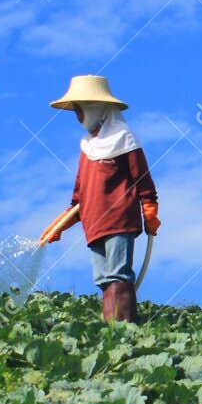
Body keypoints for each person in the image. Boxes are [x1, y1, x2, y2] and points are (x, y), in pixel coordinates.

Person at [39, 75, 160, 323]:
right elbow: (79, 199)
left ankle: (122, 327)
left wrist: (149, 207)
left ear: (96, 108)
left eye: (80, 109)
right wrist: (60, 225)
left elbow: (143, 180)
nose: (78, 116)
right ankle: (111, 326)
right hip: (94, 224)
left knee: (118, 275)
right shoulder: (87, 146)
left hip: (119, 220)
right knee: (104, 279)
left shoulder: (124, 138)